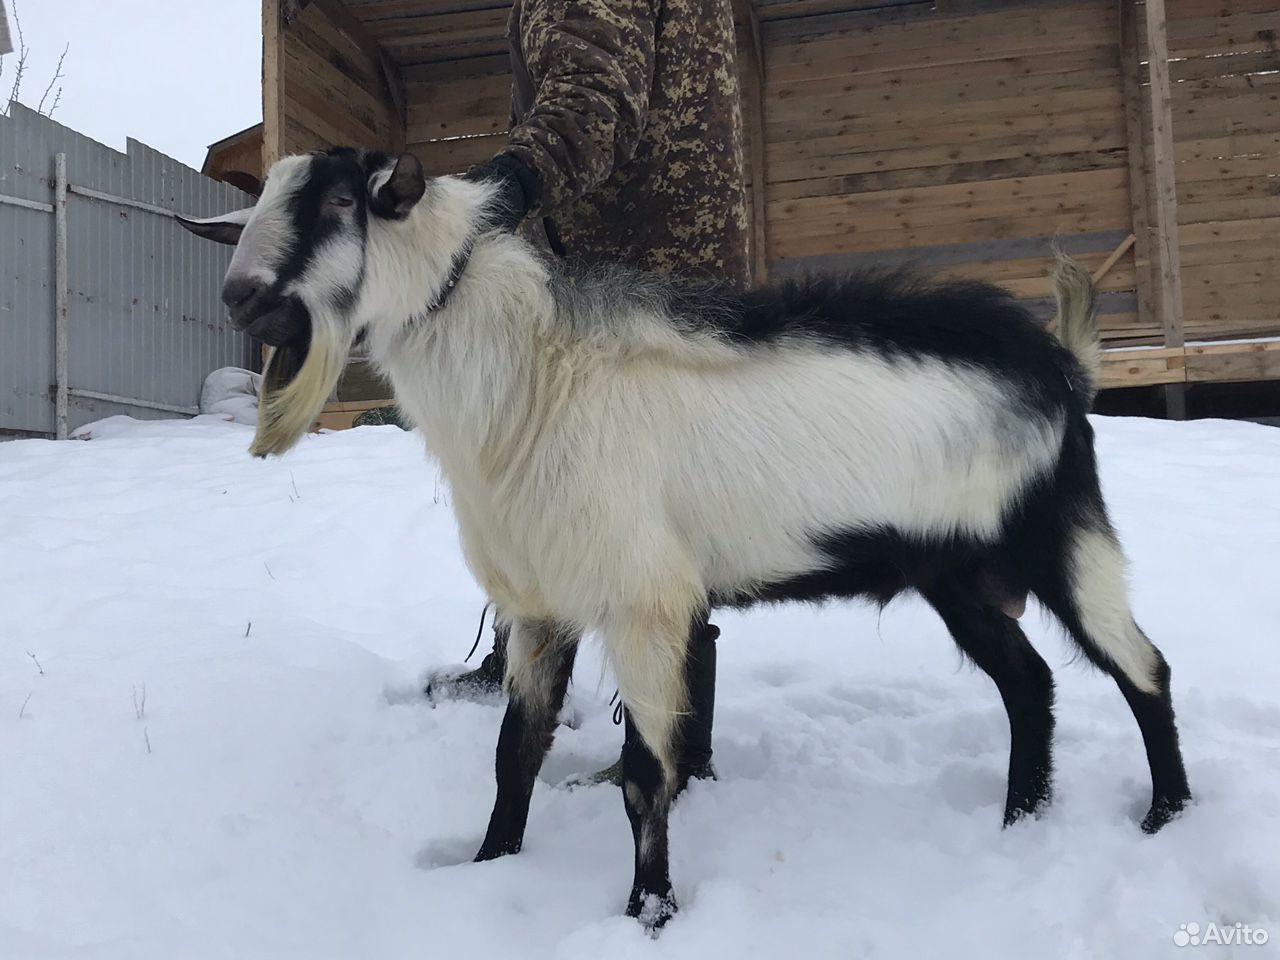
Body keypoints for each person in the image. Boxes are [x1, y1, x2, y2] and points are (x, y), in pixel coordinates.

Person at [426, 0, 751, 787]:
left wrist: (499, 192)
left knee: (589, 500)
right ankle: (652, 728)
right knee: (660, 508)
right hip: (672, 270)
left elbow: (591, 96)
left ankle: (661, 745)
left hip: (622, 290)